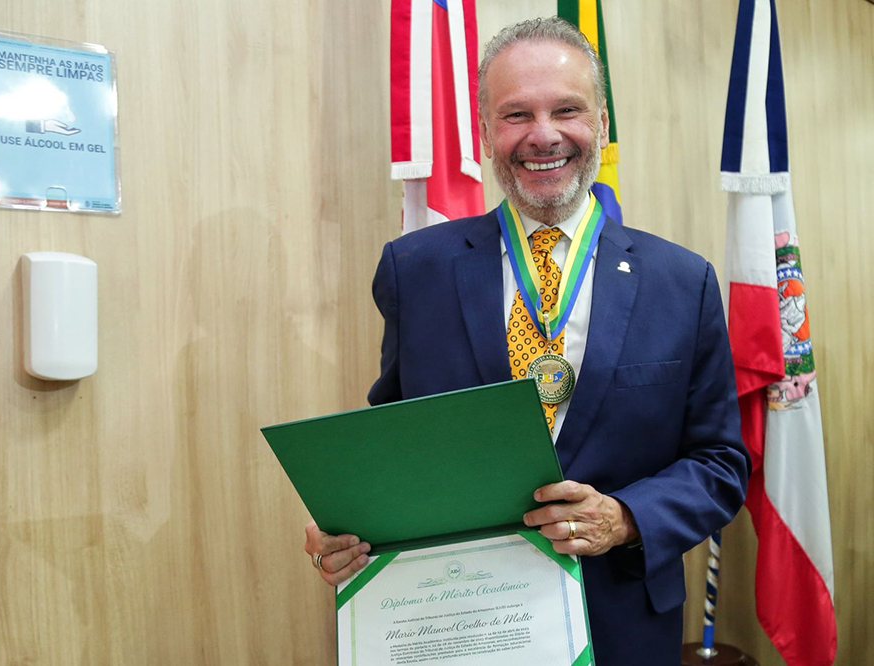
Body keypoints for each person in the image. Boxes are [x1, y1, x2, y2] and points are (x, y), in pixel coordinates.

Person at [304, 17, 750, 665]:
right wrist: (348, 524)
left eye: (566, 110)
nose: (543, 135)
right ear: (486, 132)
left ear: (599, 121)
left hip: (622, 621)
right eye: (516, 114)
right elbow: (397, 441)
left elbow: (719, 463)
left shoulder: (683, 281)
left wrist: (625, 518)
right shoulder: (415, 271)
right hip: (456, 621)